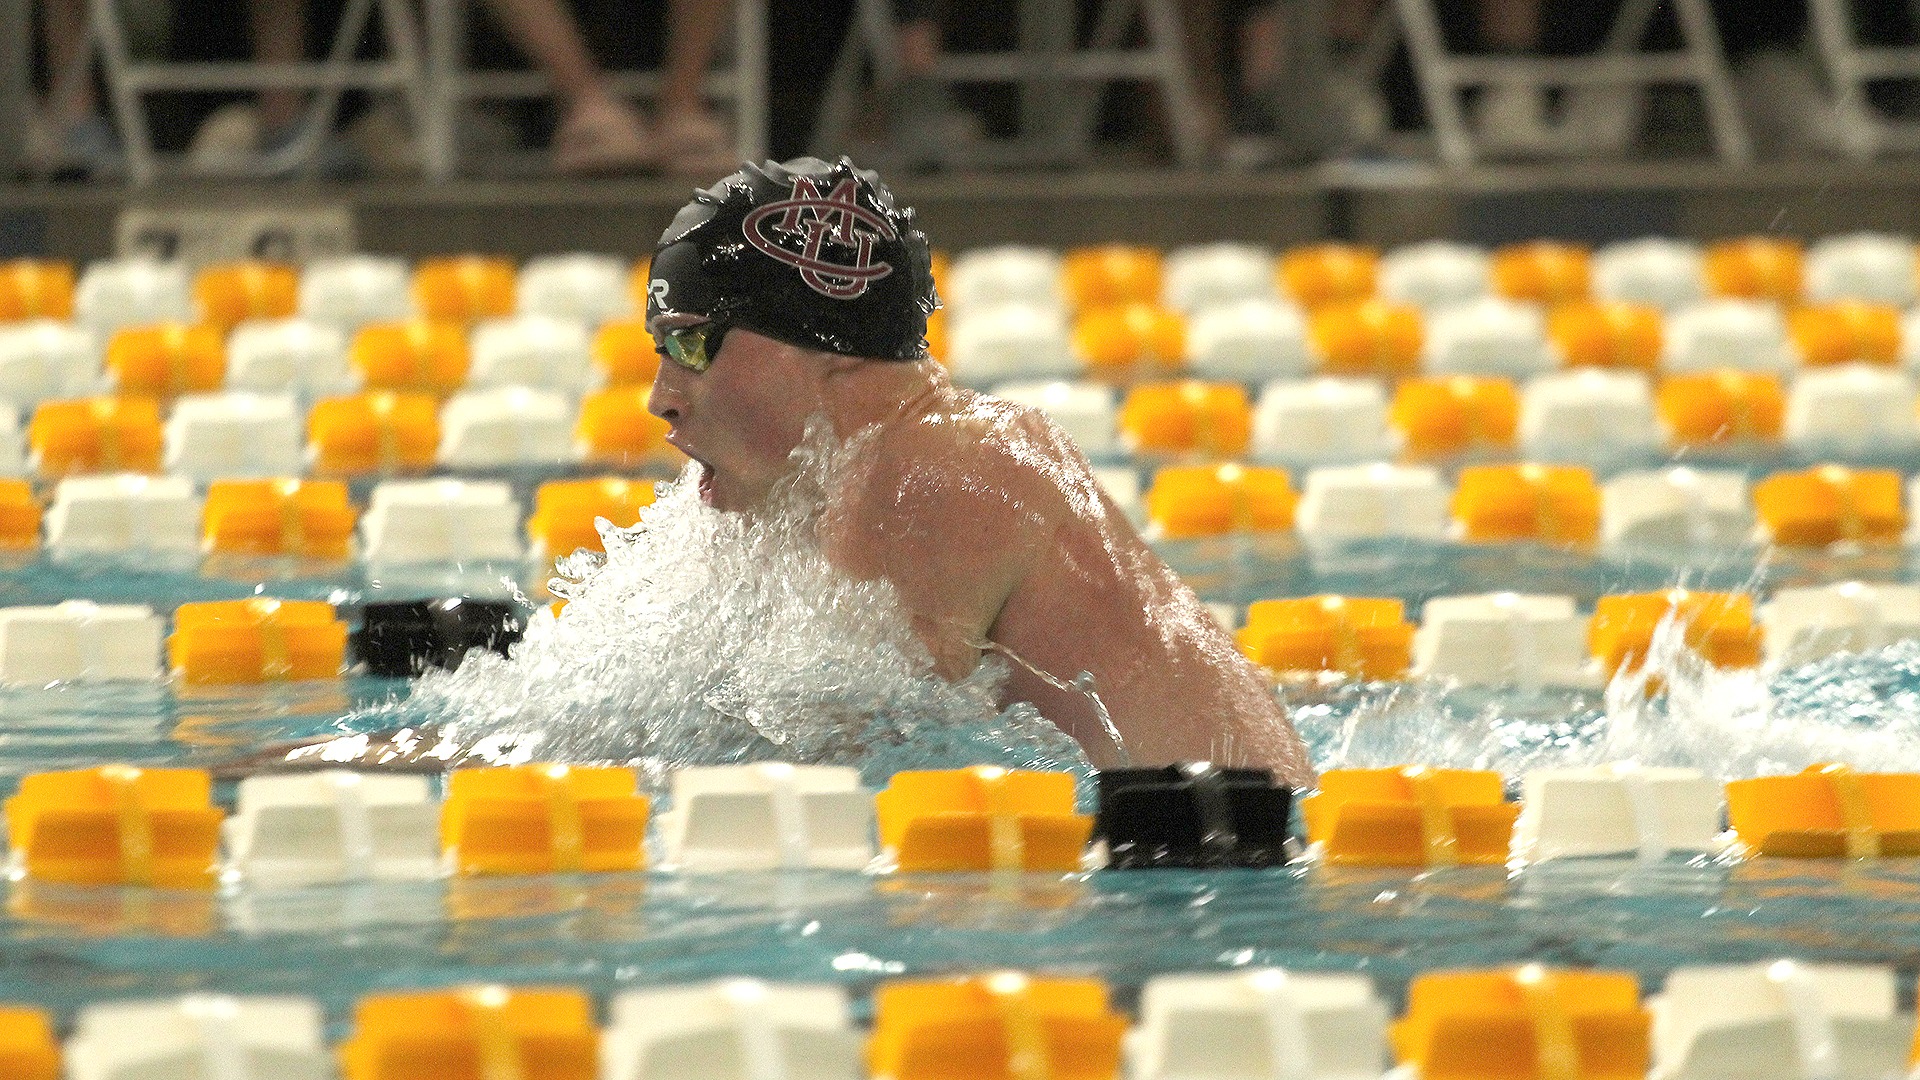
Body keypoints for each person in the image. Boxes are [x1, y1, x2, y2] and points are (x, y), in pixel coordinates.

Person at [643, 156, 1312, 783]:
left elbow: (826, 774)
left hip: (1203, 875)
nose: (661, 398)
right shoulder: (876, 471)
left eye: (690, 343)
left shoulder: (932, 473)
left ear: (824, 346)